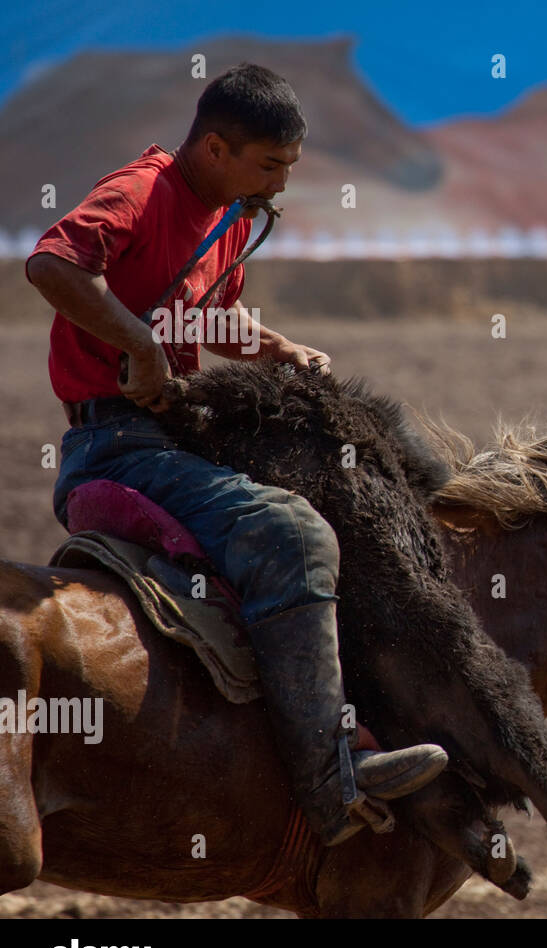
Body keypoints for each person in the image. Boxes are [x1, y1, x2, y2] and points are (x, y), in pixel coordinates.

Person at [25, 62, 446, 846]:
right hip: (113, 447)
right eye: (270, 164)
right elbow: (52, 263)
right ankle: (330, 776)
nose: (281, 182)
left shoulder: (224, 219)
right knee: (295, 534)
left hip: (168, 435)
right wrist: (139, 345)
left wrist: (278, 347)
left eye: (290, 166)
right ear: (215, 148)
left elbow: (210, 319)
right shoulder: (143, 192)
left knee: (339, 506)